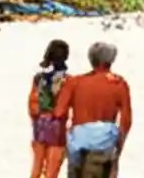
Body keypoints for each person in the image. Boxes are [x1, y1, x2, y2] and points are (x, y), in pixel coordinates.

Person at [52, 41, 133, 178]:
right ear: (111, 60)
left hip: (77, 143)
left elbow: (59, 113)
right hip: (104, 144)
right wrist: (119, 148)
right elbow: (126, 120)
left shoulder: (74, 82)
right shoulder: (119, 84)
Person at [28, 39, 71, 178]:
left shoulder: (39, 78)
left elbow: (32, 105)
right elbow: (64, 106)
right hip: (57, 127)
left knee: (36, 168)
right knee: (51, 172)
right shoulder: (68, 80)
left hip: (40, 125)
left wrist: (38, 116)